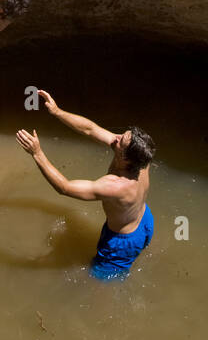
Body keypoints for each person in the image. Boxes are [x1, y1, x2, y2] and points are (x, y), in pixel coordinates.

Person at [16, 89, 155, 280]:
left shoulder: (115, 186)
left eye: (120, 140)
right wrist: (57, 111)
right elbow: (90, 129)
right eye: (121, 134)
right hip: (145, 221)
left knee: (98, 283)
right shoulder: (141, 159)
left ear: (125, 158)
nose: (115, 137)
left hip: (122, 243)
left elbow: (64, 187)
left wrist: (37, 153)